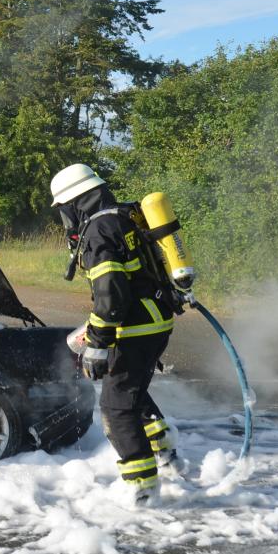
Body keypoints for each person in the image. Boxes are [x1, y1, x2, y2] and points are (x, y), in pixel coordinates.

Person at [50, 163, 181, 505]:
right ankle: (167, 454)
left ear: (75, 203)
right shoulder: (122, 216)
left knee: (116, 406)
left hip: (137, 325)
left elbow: (111, 297)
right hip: (154, 318)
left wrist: (97, 344)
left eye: (64, 210)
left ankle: (143, 492)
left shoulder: (98, 230)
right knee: (130, 390)